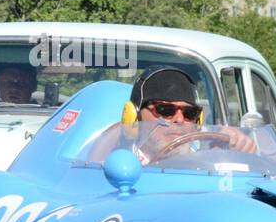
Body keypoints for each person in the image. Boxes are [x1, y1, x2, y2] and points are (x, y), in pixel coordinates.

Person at [86, 67, 257, 165]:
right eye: (165, 110)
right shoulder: (118, 157)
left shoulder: (204, 159)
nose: (179, 119)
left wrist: (238, 150)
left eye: (190, 113)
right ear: (135, 116)